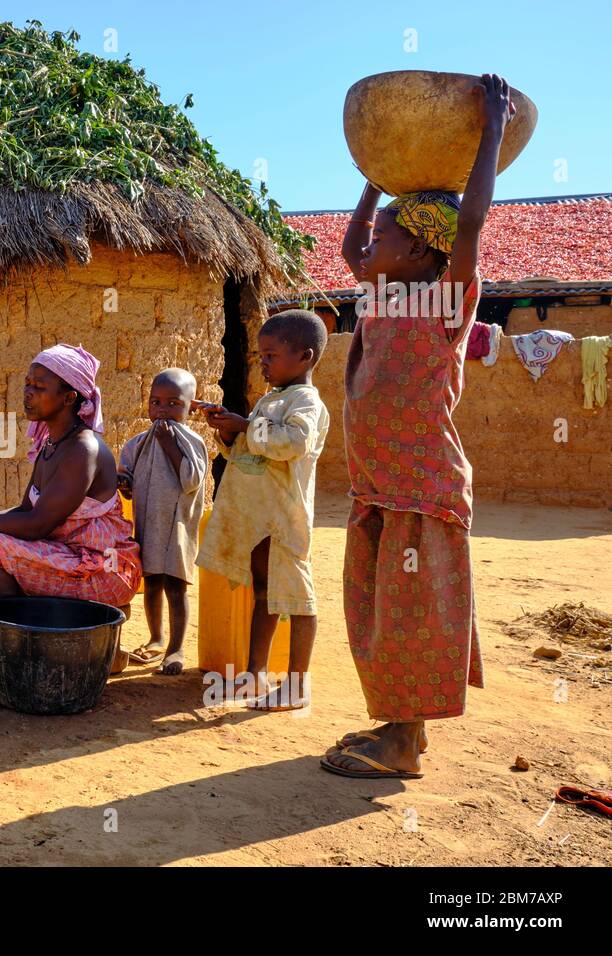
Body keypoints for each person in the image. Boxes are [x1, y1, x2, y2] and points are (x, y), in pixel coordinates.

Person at [322, 74, 516, 779]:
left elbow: (469, 225)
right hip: (380, 488)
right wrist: (374, 183)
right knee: (379, 615)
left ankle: (402, 745)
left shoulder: (443, 302)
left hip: (420, 489)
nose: (368, 248)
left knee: (407, 619)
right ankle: (402, 730)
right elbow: (348, 248)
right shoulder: (380, 296)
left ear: (420, 252)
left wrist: (490, 134)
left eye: (384, 238)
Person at [0, 344, 142, 605]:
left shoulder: (83, 449)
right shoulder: (52, 444)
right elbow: (25, 510)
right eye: (27, 384)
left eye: (39, 387)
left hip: (105, 570)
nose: (28, 393)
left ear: (69, 398)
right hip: (71, 557)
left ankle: (19, 632)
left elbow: (37, 525)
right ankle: (21, 623)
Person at [195, 310, 330, 711]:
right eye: (261, 356)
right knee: (266, 596)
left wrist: (245, 425)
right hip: (260, 522)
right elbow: (249, 452)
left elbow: (293, 443)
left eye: (271, 355)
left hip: (284, 521)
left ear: (304, 357)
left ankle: (297, 685)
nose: (263, 363)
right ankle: (256, 674)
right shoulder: (273, 399)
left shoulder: (306, 401)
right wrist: (228, 430)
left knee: (298, 600)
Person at [118, 369, 207, 675]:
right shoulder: (139, 442)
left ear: (190, 406)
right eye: (156, 402)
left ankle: (176, 648)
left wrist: (170, 445)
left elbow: (192, 480)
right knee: (152, 583)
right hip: (148, 524)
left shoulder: (191, 442)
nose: (162, 410)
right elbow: (127, 470)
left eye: (173, 404)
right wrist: (124, 482)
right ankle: (156, 638)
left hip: (178, 528)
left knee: (176, 587)